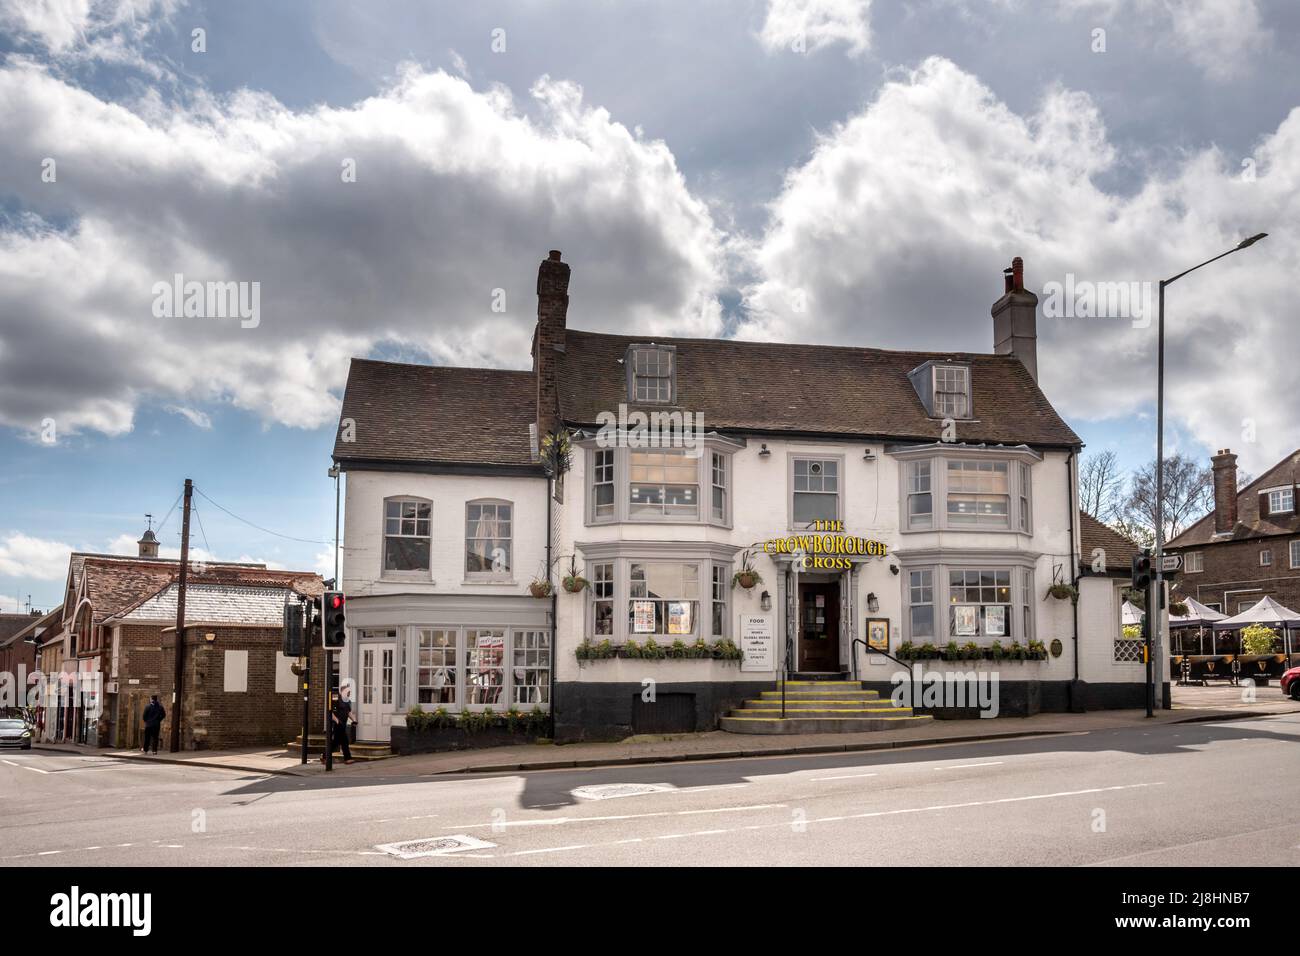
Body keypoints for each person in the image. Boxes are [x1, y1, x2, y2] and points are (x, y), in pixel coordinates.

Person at [322, 686, 355, 764]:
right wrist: (336, 721)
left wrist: (354, 720)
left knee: (336, 742)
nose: (349, 693)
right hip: (338, 724)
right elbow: (331, 712)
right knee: (344, 742)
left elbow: (349, 712)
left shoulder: (347, 701)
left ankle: (324, 756)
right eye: (348, 692)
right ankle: (347, 758)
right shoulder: (336, 699)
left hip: (342, 724)